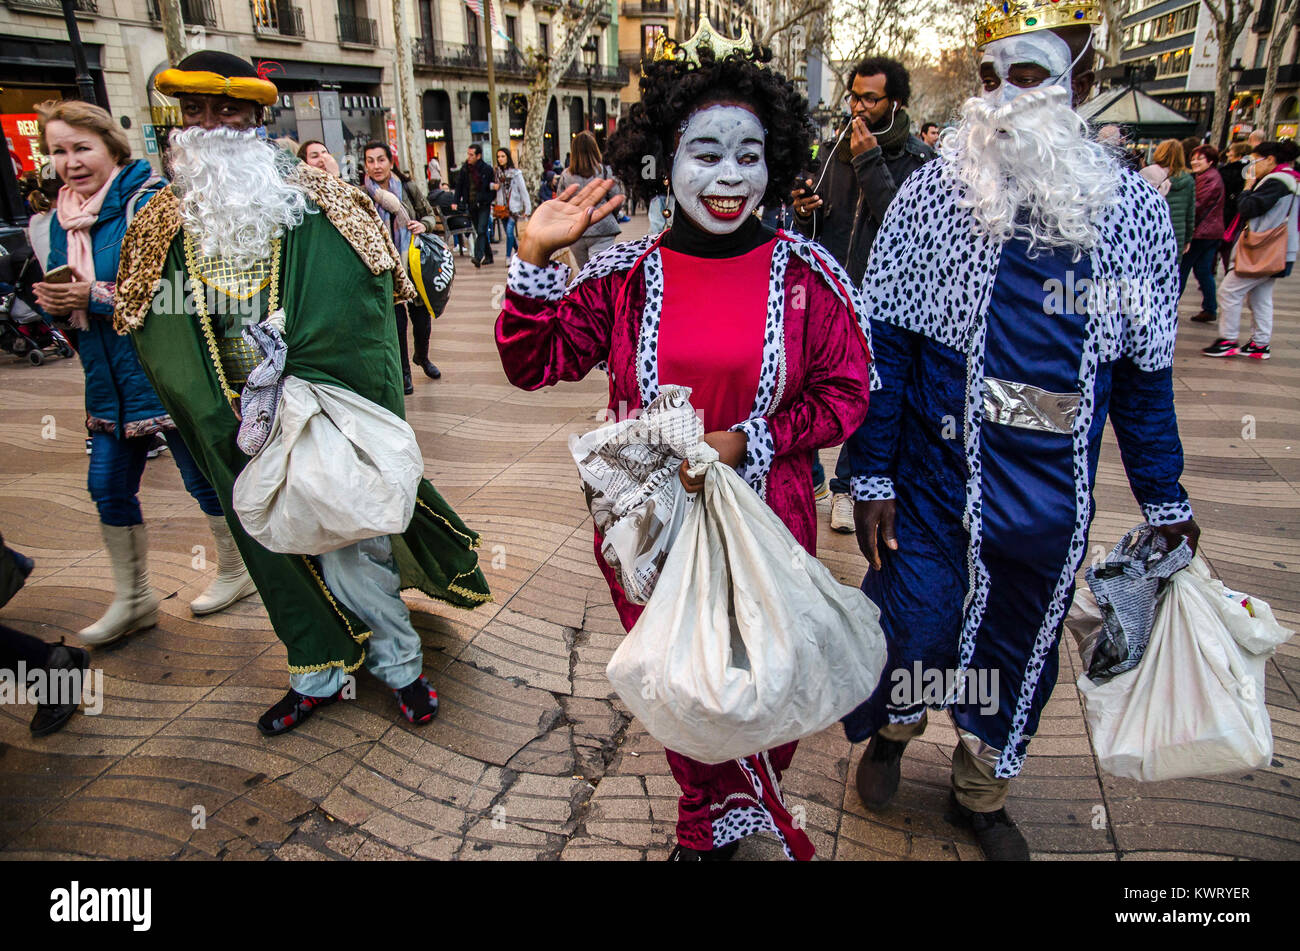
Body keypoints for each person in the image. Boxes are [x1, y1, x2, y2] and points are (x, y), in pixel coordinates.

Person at [496, 30, 875, 861]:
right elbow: (533, 363)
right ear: (666, 163)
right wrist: (533, 256)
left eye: (748, 156)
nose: (729, 177)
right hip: (650, 524)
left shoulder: (809, 275)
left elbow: (848, 393)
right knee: (684, 677)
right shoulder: (622, 275)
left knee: (762, 679)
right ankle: (706, 821)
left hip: (768, 514)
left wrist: (752, 439)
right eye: (706, 154)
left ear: (774, 162)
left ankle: (736, 803)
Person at [845, 10, 1200, 860]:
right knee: (915, 619)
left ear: (1077, 87)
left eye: (1029, 75)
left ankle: (980, 788)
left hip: (1046, 498)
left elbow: (1145, 376)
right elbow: (885, 343)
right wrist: (872, 474)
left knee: (1017, 644)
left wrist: (1165, 498)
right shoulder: (933, 196)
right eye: (990, 76)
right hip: (933, 476)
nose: (1004, 95)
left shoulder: (1133, 215)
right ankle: (894, 730)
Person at [118, 50, 490, 735]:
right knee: (274, 557)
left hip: (317, 409)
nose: (209, 126)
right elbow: (150, 323)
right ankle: (315, 670)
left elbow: (368, 309)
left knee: (349, 544)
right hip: (230, 418)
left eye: (227, 110)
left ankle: (400, 665)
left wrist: (305, 371)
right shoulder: (160, 219)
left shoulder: (322, 200)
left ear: (257, 117)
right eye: (193, 111)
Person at [31, 99, 256, 647]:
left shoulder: (150, 204)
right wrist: (55, 306)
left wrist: (93, 296)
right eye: (58, 151)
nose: (70, 162)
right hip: (106, 382)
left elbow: (182, 295)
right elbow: (70, 310)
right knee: (107, 487)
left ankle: (237, 570)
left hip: (165, 372)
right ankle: (134, 598)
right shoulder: (55, 222)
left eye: (81, 147)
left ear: (111, 147)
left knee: (202, 480)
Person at [792, 56, 934, 534]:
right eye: (854, 96)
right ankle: (809, 476)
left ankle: (846, 486)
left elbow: (904, 228)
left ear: (895, 102)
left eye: (870, 99)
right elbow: (816, 225)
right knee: (808, 384)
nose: (858, 106)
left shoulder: (920, 161)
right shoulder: (834, 149)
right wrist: (805, 210)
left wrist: (869, 160)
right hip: (830, 294)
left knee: (867, 392)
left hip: (886, 303)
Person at [1202, 140, 1298, 360]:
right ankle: (1259, 344)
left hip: (1262, 249)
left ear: (1270, 160)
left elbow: (1248, 207)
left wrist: (1248, 187)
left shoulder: (1277, 180)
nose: (1251, 166)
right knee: (1261, 297)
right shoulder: (1292, 179)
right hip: (1279, 249)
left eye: (1255, 161)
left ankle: (1228, 340)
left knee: (1229, 291)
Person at [362, 140, 441, 394]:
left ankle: (422, 357)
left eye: (381, 159)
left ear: (390, 162)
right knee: (396, 326)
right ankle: (404, 373)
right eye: (370, 161)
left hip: (412, 265)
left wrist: (423, 225)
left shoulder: (407, 187)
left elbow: (429, 215)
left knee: (422, 322)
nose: (376, 166)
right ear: (365, 165)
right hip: (384, 269)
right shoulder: (362, 193)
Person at [558, 131, 624, 267]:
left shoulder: (565, 175)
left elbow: (561, 202)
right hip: (603, 228)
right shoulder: (605, 171)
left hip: (577, 231)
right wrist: (613, 214)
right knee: (601, 270)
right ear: (595, 149)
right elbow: (616, 199)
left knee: (585, 272)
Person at [1182, 144, 1225, 323]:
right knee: (1203, 270)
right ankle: (1210, 308)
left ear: (1211, 161)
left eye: (1200, 158)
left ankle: (1169, 306)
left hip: (1202, 233)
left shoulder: (1210, 179)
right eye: (1193, 158)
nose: (1195, 162)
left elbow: (1197, 205)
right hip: (1211, 232)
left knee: (1183, 268)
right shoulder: (1207, 176)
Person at [1148, 139, 1194, 254]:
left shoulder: (1148, 174)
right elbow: (1190, 214)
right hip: (1176, 233)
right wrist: (1188, 239)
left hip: (1151, 228)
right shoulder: (1188, 180)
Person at [455, 144, 496, 267]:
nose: (469, 157)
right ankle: (489, 255)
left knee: (482, 229)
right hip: (471, 204)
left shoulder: (487, 169)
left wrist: (488, 199)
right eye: (468, 154)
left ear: (478, 156)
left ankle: (478, 257)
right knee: (480, 231)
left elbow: (492, 187)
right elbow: (459, 186)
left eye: (471, 155)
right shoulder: (465, 169)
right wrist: (456, 201)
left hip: (483, 204)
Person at [494, 147, 531, 259]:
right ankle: (519, 251)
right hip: (501, 207)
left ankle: (508, 257)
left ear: (508, 157)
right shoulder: (497, 173)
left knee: (510, 232)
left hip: (514, 207)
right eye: (498, 157)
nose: (500, 159)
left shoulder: (516, 173)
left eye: (503, 156)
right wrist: (493, 186)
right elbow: (490, 186)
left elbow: (523, 191)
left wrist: (527, 209)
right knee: (508, 233)